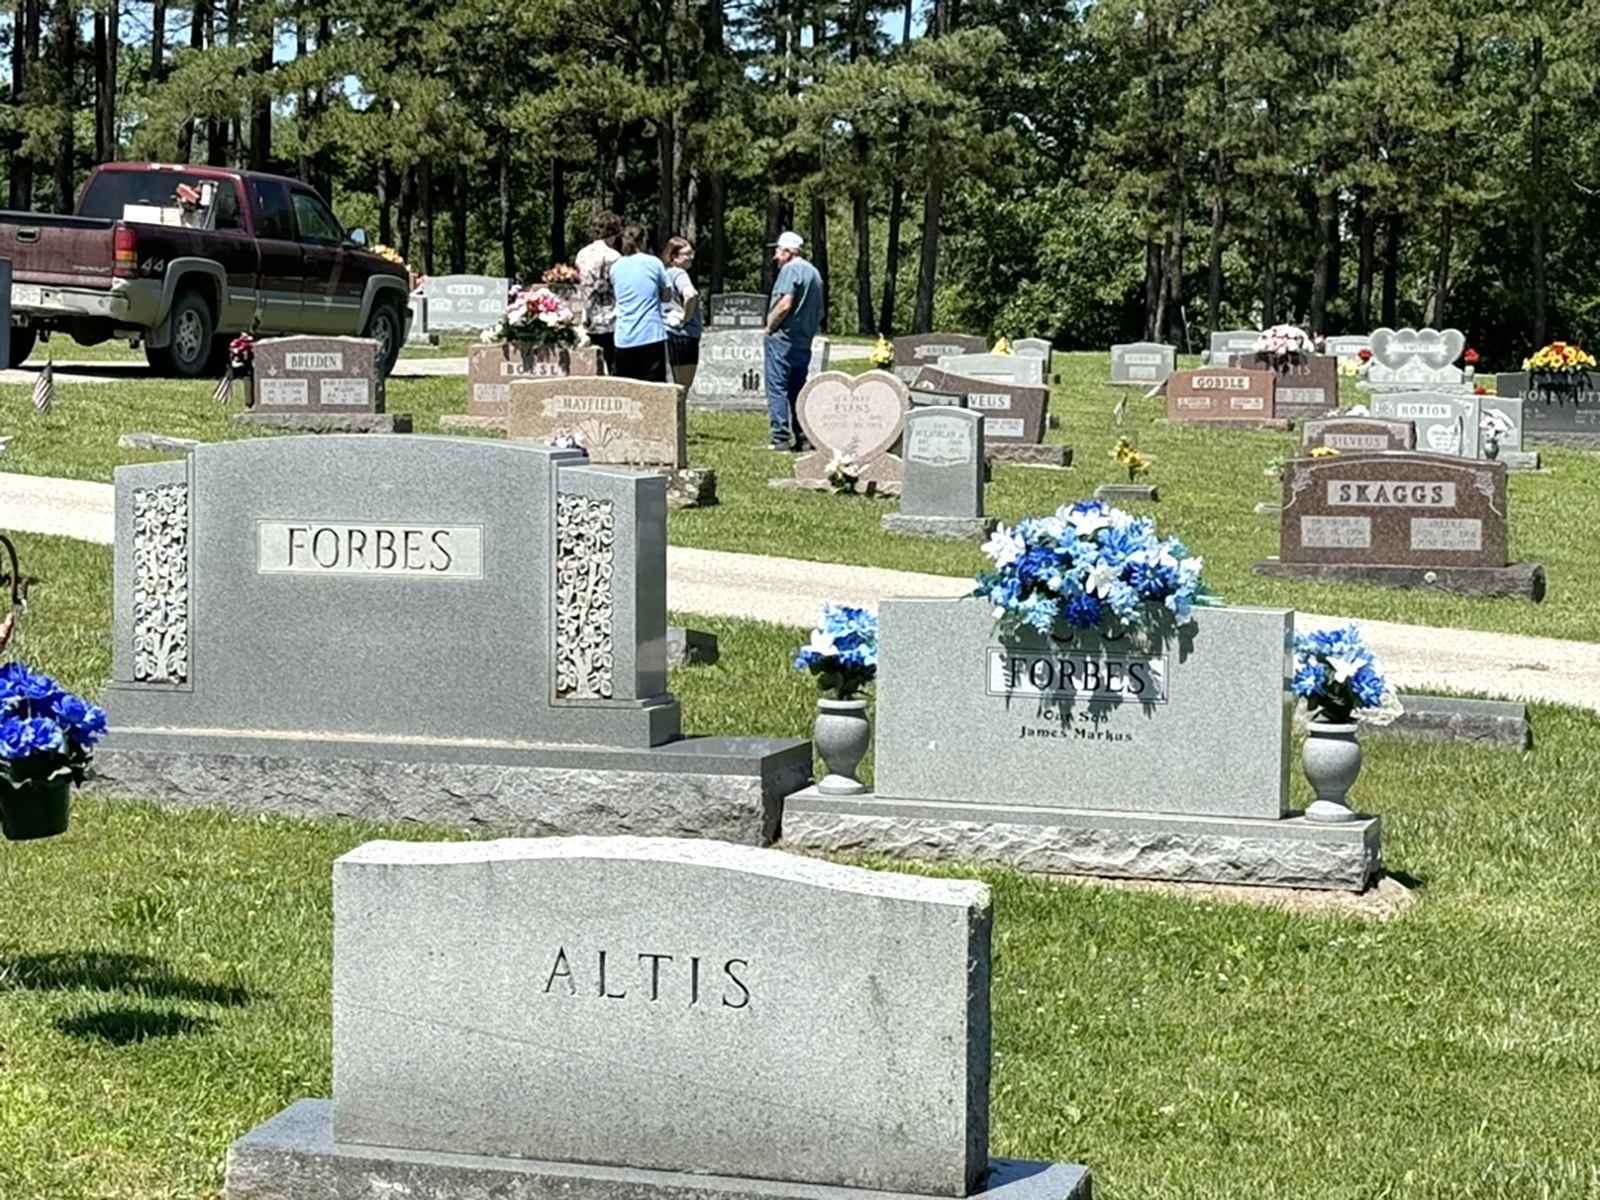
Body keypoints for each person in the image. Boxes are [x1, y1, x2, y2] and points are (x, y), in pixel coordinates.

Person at [763, 231, 823, 450]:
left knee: (777, 386)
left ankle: (780, 437)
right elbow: (820, 310)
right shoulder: (814, 273)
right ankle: (803, 436)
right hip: (803, 341)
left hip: (783, 338)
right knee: (797, 389)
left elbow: (785, 304)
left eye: (778, 251)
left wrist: (770, 327)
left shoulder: (790, 270)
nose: (776, 257)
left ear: (787, 251)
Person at [609, 224, 671, 383]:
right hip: (650, 334)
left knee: (626, 391)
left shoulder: (615, 267)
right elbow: (667, 294)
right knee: (654, 391)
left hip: (623, 336)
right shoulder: (654, 263)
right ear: (643, 241)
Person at [575, 211, 622, 373]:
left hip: (589, 316)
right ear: (613, 232)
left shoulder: (581, 254)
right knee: (614, 366)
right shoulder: (614, 257)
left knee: (592, 367)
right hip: (611, 319)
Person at [661, 237, 701, 389]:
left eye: (692, 253)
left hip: (667, 332)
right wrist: (686, 317)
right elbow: (690, 295)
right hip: (683, 334)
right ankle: (679, 414)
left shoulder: (663, 274)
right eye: (687, 254)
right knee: (681, 389)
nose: (691, 257)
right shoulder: (679, 273)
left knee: (671, 387)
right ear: (674, 257)